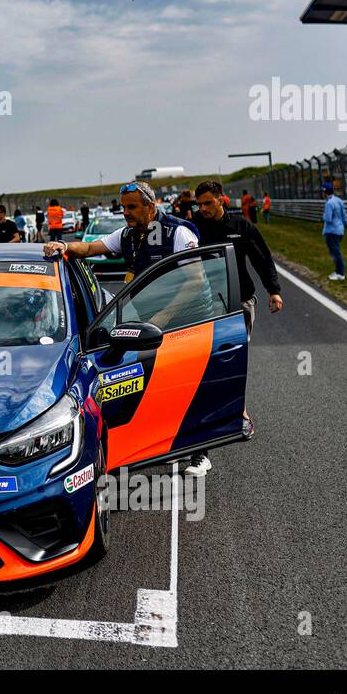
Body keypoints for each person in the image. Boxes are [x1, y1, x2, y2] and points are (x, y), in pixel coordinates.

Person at [43, 181, 215, 476]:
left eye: (132, 207)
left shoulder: (178, 232)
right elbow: (89, 247)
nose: (126, 213)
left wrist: (162, 318)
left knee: (190, 385)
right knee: (159, 383)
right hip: (152, 321)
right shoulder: (127, 235)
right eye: (123, 207)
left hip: (189, 319)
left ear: (150, 206)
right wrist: (64, 246)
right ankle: (168, 443)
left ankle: (199, 452)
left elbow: (195, 282)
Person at [194, 180, 282, 440]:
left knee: (235, 358)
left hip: (240, 301)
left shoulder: (241, 226)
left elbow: (261, 258)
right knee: (204, 359)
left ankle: (239, 411)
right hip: (204, 304)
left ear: (222, 199)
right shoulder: (194, 226)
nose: (203, 208)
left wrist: (273, 290)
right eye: (199, 204)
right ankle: (202, 410)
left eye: (208, 203)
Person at [322, 183, 347, 280]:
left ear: (325, 192)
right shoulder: (339, 200)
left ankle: (340, 273)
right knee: (336, 251)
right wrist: (342, 226)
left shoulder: (329, 203)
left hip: (331, 230)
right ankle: (338, 271)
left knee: (335, 252)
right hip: (340, 229)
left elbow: (328, 218)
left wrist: (323, 215)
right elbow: (344, 216)